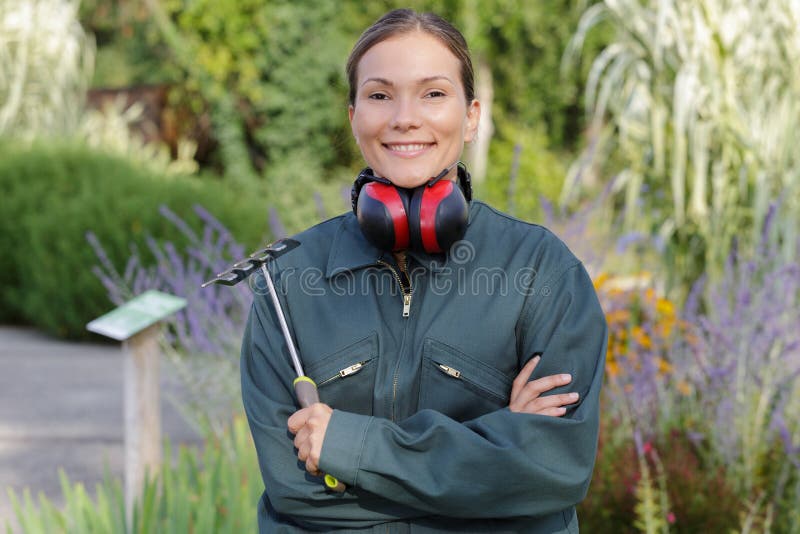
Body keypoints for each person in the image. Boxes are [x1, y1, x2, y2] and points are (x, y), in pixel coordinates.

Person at [240, 8, 607, 533]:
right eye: (380, 95)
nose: (404, 118)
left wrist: (348, 447)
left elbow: (554, 468)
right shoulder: (287, 281)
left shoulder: (542, 273)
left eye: (433, 94)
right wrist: (494, 455)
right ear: (353, 117)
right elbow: (296, 492)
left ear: (472, 115)